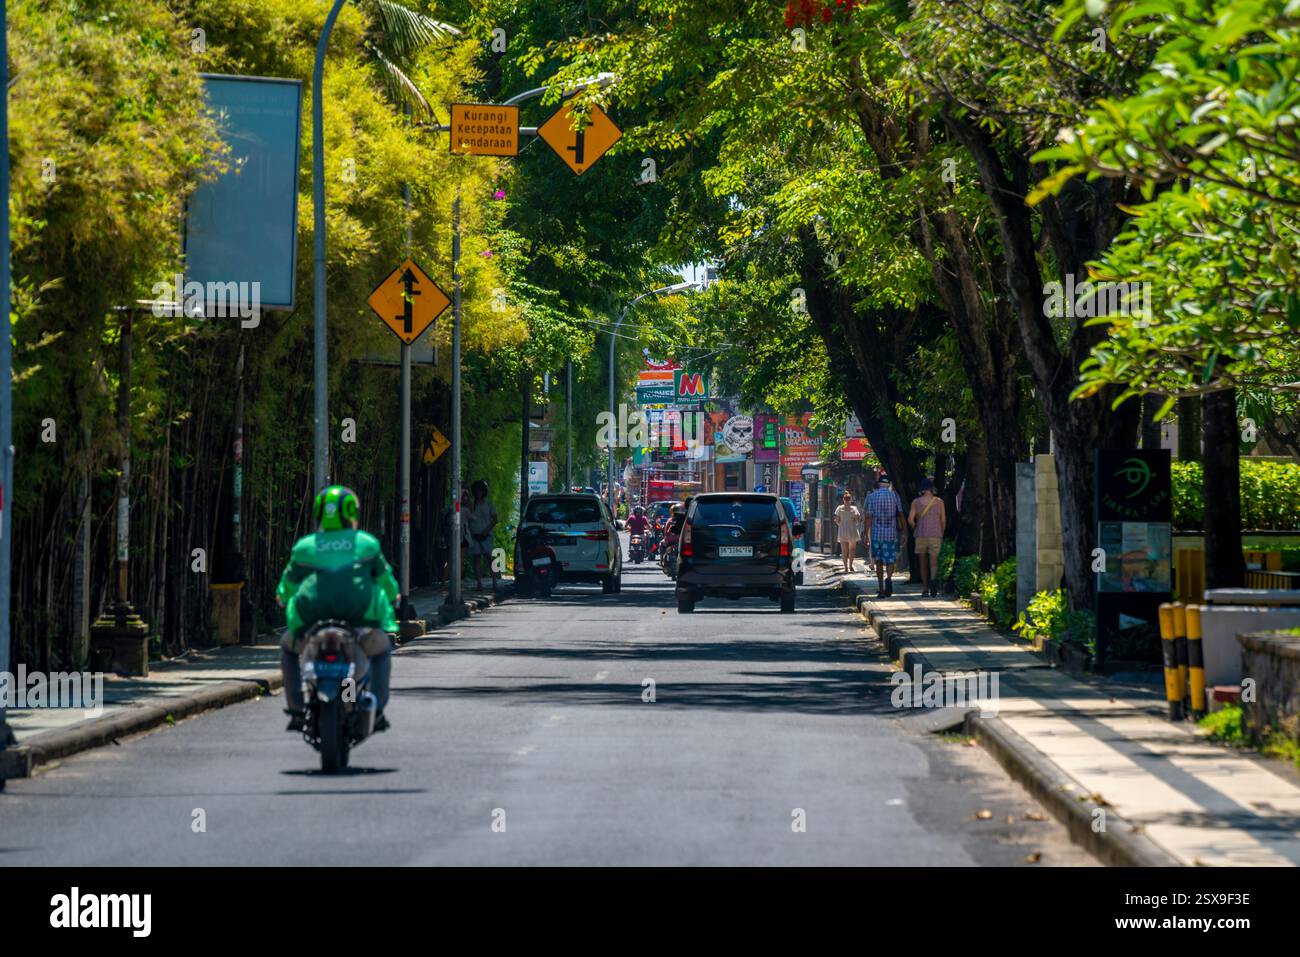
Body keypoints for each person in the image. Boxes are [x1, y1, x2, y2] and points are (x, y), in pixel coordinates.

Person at [276, 485, 398, 733]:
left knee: (288, 648)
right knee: (383, 648)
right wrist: (395, 597)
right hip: (358, 621)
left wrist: (281, 599)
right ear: (351, 513)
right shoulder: (367, 544)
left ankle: (297, 708)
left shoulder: (305, 546)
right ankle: (377, 708)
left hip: (312, 622)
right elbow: (386, 581)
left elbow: (286, 586)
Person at [863, 474, 906, 598]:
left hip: (876, 535)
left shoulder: (872, 497)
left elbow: (869, 516)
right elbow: (901, 515)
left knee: (878, 562)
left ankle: (881, 589)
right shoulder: (894, 496)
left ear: (879, 483)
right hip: (891, 534)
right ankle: (889, 578)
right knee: (890, 560)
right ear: (889, 484)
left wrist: (865, 533)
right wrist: (904, 533)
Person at [908, 478, 947, 597]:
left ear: (922, 489)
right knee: (933, 560)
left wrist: (916, 527)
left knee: (922, 562)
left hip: (921, 535)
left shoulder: (916, 502)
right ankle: (933, 579)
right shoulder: (939, 502)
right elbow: (943, 520)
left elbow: (910, 519)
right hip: (935, 534)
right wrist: (941, 532)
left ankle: (925, 588)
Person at [466, 479, 498, 590]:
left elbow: (495, 520)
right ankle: (479, 584)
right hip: (475, 536)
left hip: (486, 536)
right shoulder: (471, 504)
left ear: (484, 492)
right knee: (477, 559)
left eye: (481, 490)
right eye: (477, 491)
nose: (479, 493)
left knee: (490, 559)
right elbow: (467, 519)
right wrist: (471, 531)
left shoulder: (489, 505)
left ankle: (495, 582)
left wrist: (486, 531)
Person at [833, 491, 863, 574]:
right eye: (847, 499)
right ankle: (848, 566)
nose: (847, 501)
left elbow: (836, 520)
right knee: (849, 550)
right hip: (850, 530)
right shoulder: (850, 508)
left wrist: (841, 524)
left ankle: (848, 566)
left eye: (847, 499)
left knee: (848, 550)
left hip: (845, 530)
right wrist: (853, 522)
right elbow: (857, 520)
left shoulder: (844, 508)